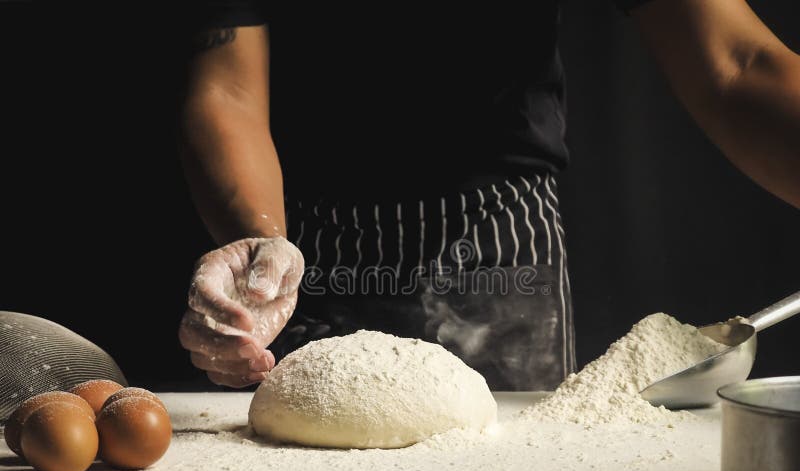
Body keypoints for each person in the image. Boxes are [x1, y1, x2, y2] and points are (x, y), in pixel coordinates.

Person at [177, 1, 800, 390]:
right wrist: (258, 243)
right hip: (311, 252)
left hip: (502, 241)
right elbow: (227, 86)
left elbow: (737, 59)